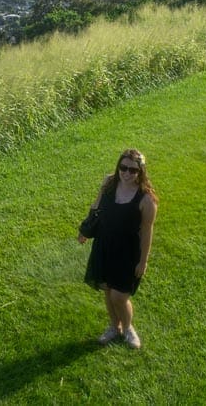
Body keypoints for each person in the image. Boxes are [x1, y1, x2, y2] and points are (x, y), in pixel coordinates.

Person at [78, 148, 158, 349]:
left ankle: (128, 328)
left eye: (133, 170)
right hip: (104, 246)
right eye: (123, 168)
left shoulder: (146, 200)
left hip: (128, 252)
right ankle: (115, 327)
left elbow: (147, 232)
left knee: (119, 296)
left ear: (141, 172)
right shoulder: (108, 184)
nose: (127, 173)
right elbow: (96, 207)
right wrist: (85, 230)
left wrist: (143, 261)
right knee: (107, 289)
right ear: (118, 167)